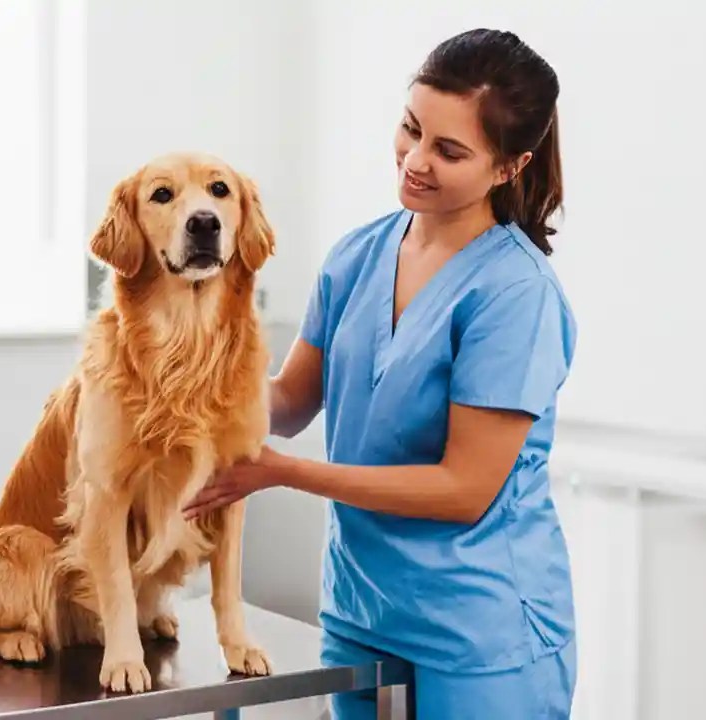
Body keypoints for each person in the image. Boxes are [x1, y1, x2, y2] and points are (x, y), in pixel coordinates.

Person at [182, 28, 577, 719]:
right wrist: (186, 376)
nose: (415, 161)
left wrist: (283, 472)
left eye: (449, 150)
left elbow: (464, 490)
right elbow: (288, 402)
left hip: (478, 635)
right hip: (362, 612)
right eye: (411, 128)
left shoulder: (515, 293)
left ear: (509, 168)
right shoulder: (357, 256)